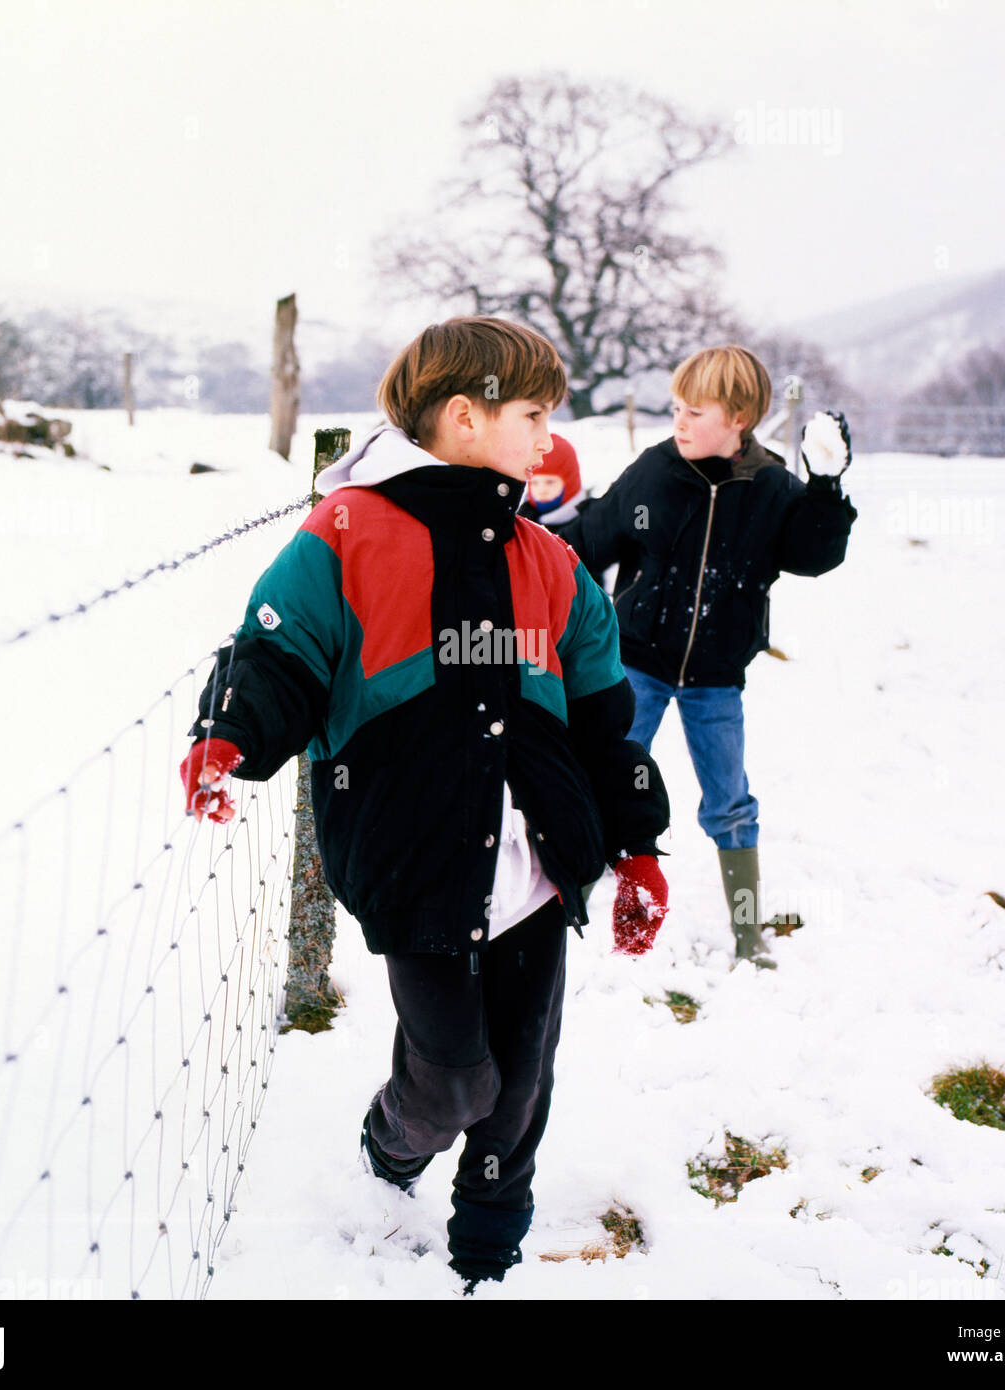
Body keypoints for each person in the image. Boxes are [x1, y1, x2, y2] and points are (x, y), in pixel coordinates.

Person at [178, 316, 670, 1292]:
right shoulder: (348, 532)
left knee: (517, 1085)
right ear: (462, 416)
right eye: (532, 415)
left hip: (535, 865)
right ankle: (393, 1141)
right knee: (455, 1078)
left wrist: (637, 847)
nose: (548, 439)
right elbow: (279, 653)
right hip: (414, 856)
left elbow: (604, 720)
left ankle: (487, 1254)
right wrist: (231, 731)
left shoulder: (551, 562)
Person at [552, 344, 856, 969]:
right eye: (675, 408)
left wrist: (826, 489)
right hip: (634, 664)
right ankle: (567, 909)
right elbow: (589, 537)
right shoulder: (654, 472)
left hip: (717, 678)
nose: (680, 422)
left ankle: (748, 933)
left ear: (739, 418)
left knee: (730, 803)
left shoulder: (772, 487)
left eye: (695, 411)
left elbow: (814, 555)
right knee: (601, 774)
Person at [518, 431, 586, 525]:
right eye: (534, 483)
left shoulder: (586, 525)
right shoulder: (518, 523)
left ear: (570, 482)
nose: (542, 490)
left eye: (550, 482)